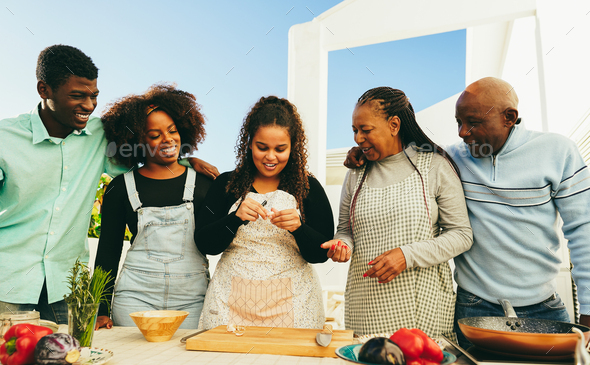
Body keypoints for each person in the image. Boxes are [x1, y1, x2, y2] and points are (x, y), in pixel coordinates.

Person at [345, 78, 590, 348]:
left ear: (509, 118)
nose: (462, 133)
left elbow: (584, 232)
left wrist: (589, 312)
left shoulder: (557, 152)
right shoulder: (453, 158)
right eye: (458, 122)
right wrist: (363, 149)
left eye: (472, 123)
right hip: (473, 309)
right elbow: (404, 156)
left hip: (543, 308)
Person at [0, 45, 218, 324]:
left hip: (66, 290)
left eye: (93, 96)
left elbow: (147, 161)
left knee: (70, 363)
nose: (89, 106)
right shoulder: (6, 139)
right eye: (77, 96)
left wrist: (189, 162)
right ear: (44, 90)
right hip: (7, 286)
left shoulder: (98, 136)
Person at [325, 87, 473, 338]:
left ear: (394, 125)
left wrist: (407, 255)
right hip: (366, 306)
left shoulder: (434, 166)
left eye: (366, 130)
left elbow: (461, 234)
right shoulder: (355, 173)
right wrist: (342, 245)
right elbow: (345, 231)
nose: (358, 138)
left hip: (424, 306)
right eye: (355, 130)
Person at [195, 96, 334, 329]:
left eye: (280, 149)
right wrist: (235, 218)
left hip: (295, 303)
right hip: (231, 303)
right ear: (249, 143)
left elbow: (321, 253)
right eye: (262, 147)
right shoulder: (225, 184)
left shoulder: (308, 187)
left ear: (293, 147)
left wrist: (299, 229)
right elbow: (205, 243)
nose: (270, 157)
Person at [94, 84, 212, 329]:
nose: (168, 139)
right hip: (134, 298)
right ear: (138, 142)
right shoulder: (120, 188)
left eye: (172, 130)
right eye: (155, 135)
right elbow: (107, 253)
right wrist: (101, 309)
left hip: (193, 301)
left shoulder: (203, 184)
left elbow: (216, 241)